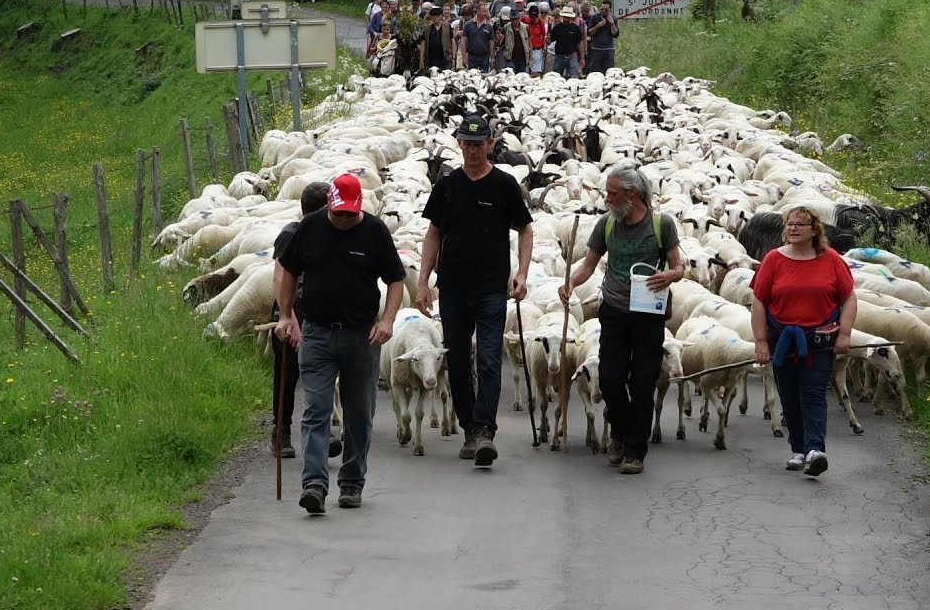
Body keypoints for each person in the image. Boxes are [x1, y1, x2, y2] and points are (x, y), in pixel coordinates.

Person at [275, 173, 406, 514]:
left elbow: (395, 279)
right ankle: (314, 485)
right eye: (338, 213)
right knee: (316, 410)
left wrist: (388, 320)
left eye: (350, 214)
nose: (344, 219)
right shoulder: (309, 228)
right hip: (316, 332)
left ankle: (351, 482)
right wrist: (286, 315)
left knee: (359, 413)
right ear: (330, 205)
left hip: (361, 335)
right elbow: (287, 270)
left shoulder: (375, 231)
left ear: (359, 206)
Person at [417, 116, 534, 467]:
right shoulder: (447, 184)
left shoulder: (504, 184)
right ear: (459, 144)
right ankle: (469, 426)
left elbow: (525, 230)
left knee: (487, 359)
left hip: (492, 288)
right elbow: (434, 232)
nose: (471, 150)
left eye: (477, 143)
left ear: (489, 143)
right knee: (457, 360)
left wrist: (523, 274)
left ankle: (485, 430)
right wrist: (422, 281)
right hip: (452, 286)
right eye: (466, 143)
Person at [559, 165, 683, 475]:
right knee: (611, 379)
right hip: (613, 309)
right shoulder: (607, 224)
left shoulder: (661, 225)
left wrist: (671, 275)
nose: (607, 198)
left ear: (632, 194)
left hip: (649, 314)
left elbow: (679, 267)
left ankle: (633, 451)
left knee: (643, 383)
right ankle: (621, 430)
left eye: (612, 194)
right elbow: (589, 263)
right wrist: (571, 283)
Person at [750, 206, 856, 477]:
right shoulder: (773, 260)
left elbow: (848, 298)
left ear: (814, 230)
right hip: (782, 338)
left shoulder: (831, 259)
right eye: (790, 224)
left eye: (801, 224)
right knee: (789, 394)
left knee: (813, 393)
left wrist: (844, 333)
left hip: (820, 338)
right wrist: (761, 341)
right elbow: (759, 300)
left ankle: (815, 449)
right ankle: (798, 448)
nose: (794, 228)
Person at [269, 181, 333, 459]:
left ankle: (322, 433)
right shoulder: (291, 234)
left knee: (320, 374)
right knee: (288, 373)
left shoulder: (330, 235)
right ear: (321, 208)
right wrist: (288, 318)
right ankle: (281, 432)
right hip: (291, 310)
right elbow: (279, 278)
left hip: (320, 311)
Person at [586, 0, 620, 74]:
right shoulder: (594, 17)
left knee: (609, 71)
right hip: (596, 48)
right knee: (595, 71)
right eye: (602, 9)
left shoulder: (613, 18)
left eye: (606, 10)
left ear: (610, 10)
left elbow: (615, 34)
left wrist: (612, 23)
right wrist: (598, 26)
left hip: (609, 48)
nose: (604, 11)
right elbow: (589, 32)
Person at [550, 7, 584, 79]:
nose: (567, 19)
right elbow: (550, 41)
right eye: (565, 17)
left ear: (571, 18)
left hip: (572, 56)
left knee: (573, 78)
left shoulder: (575, 28)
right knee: (556, 78)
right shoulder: (556, 28)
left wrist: (582, 58)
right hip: (559, 56)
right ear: (562, 17)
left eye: (568, 17)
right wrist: (547, 40)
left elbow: (580, 43)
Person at [461, 3, 495, 72]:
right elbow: (463, 41)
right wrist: (464, 57)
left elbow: (491, 43)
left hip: (484, 57)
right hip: (472, 56)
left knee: (484, 76)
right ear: (478, 11)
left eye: (486, 11)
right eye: (484, 11)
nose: (486, 13)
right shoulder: (468, 24)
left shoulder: (489, 26)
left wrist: (492, 59)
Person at [420, 6, 453, 72]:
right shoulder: (427, 28)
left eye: (438, 16)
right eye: (433, 16)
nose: (436, 18)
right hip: (431, 59)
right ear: (431, 17)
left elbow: (452, 41)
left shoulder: (447, 26)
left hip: (445, 58)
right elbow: (423, 43)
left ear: (441, 16)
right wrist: (421, 58)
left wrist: (453, 57)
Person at [500, 6, 532, 74]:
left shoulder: (525, 27)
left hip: (522, 58)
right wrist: (499, 38)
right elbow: (500, 43)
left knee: (521, 76)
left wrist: (530, 58)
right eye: (512, 19)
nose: (514, 21)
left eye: (515, 19)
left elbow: (529, 43)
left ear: (519, 18)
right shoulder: (506, 28)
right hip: (510, 58)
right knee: (510, 76)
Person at [521, 2, 548, 76]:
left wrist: (544, 47)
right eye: (531, 16)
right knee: (525, 72)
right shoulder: (523, 20)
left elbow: (543, 35)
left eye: (535, 16)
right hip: (525, 49)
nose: (533, 18)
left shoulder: (540, 22)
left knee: (536, 71)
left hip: (537, 49)